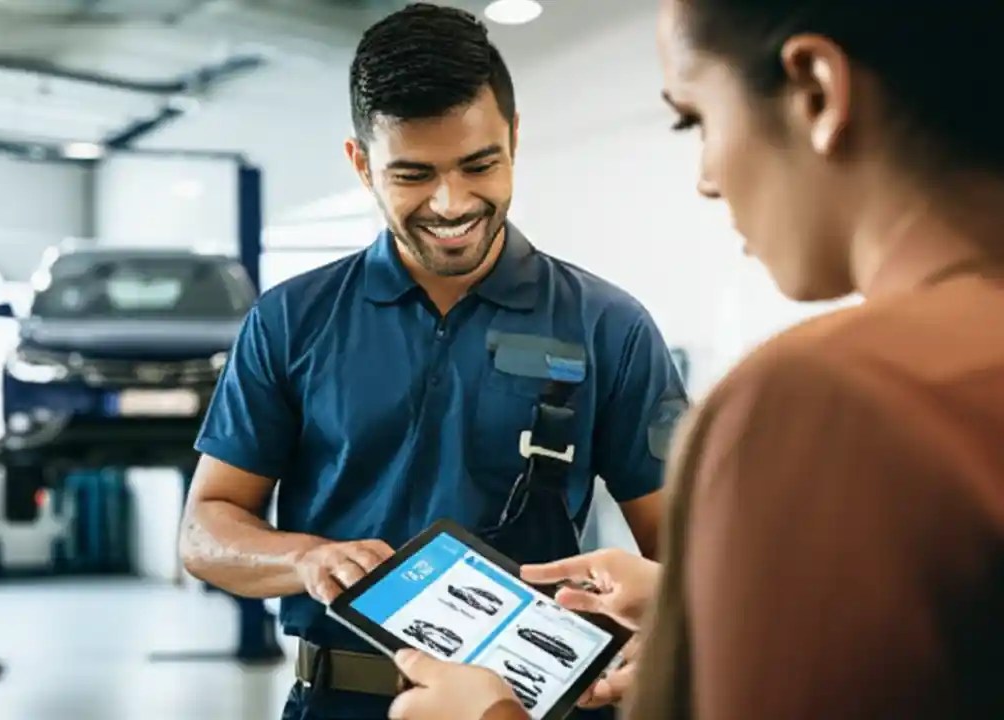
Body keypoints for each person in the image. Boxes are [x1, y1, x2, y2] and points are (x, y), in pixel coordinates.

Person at [388, 0, 1004, 718]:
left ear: (816, 92)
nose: (707, 178)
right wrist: (703, 606)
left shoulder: (822, 397)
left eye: (696, 119)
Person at [178, 4, 688, 719]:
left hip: (535, 704)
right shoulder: (291, 322)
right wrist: (300, 558)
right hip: (338, 702)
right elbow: (205, 530)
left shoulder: (609, 326)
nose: (452, 204)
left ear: (514, 139)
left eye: (480, 164)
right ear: (361, 165)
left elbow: (686, 562)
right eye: (414, 174)